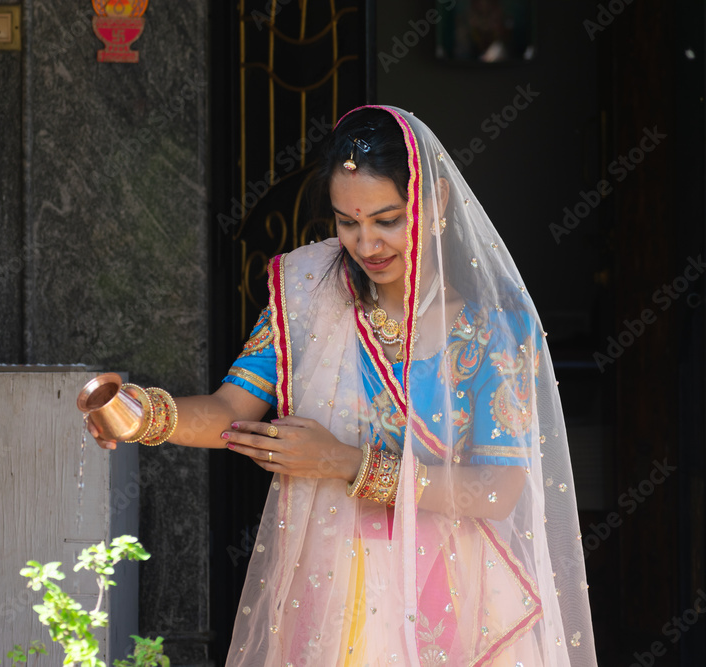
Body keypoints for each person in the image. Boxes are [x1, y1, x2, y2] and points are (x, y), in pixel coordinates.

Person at [89, 105, 597, 666]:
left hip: (456, 590)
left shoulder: (492, 330)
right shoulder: (311, 297)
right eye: (348, 222)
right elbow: (230, 409)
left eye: (387, 220)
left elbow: (499, 492)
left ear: (436, 204)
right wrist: (142, 414)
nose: (367, 244)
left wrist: (345, 463)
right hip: (332, 582)